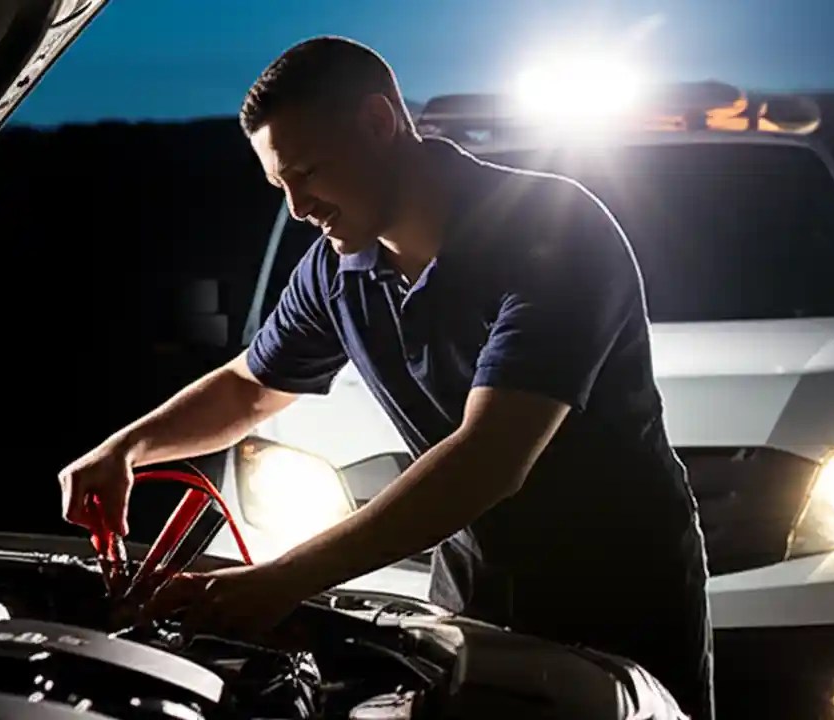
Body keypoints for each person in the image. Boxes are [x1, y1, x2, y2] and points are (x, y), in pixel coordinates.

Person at [57, 35, 714, 720]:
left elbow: (490, 460)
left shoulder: (553, 231)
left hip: (620, 591)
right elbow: (251, 387)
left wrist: (280, 582)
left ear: (380, 123)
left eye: (308, 171)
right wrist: (124, 450)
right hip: (469, 589)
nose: (298, 207)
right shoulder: (334, 269)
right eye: (280, 184)